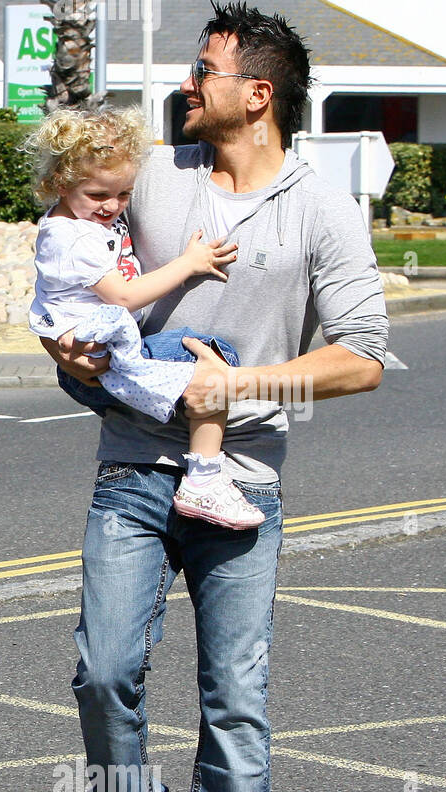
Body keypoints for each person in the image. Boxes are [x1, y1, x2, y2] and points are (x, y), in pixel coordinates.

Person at [43, 1, 386, 792]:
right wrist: (68, 351)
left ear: (257, 94)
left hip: (244, 482)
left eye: (206, 71)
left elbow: (362, 356)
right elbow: (72, 260)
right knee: (102, 671)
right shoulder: (152, 176)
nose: (187, 84)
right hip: (132, 467)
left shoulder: (322, 206)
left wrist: (241, 385)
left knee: (234, 693)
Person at [28, 105, 264, 530]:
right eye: (99, 195)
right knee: (213, 355)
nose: (112, 207)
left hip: (96, 359)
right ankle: (205, 479)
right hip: (104, 359)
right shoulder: (70, 236)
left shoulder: (78, 221)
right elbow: (124, 296)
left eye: (123, 195)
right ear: (60, 182)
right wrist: (190, 262)